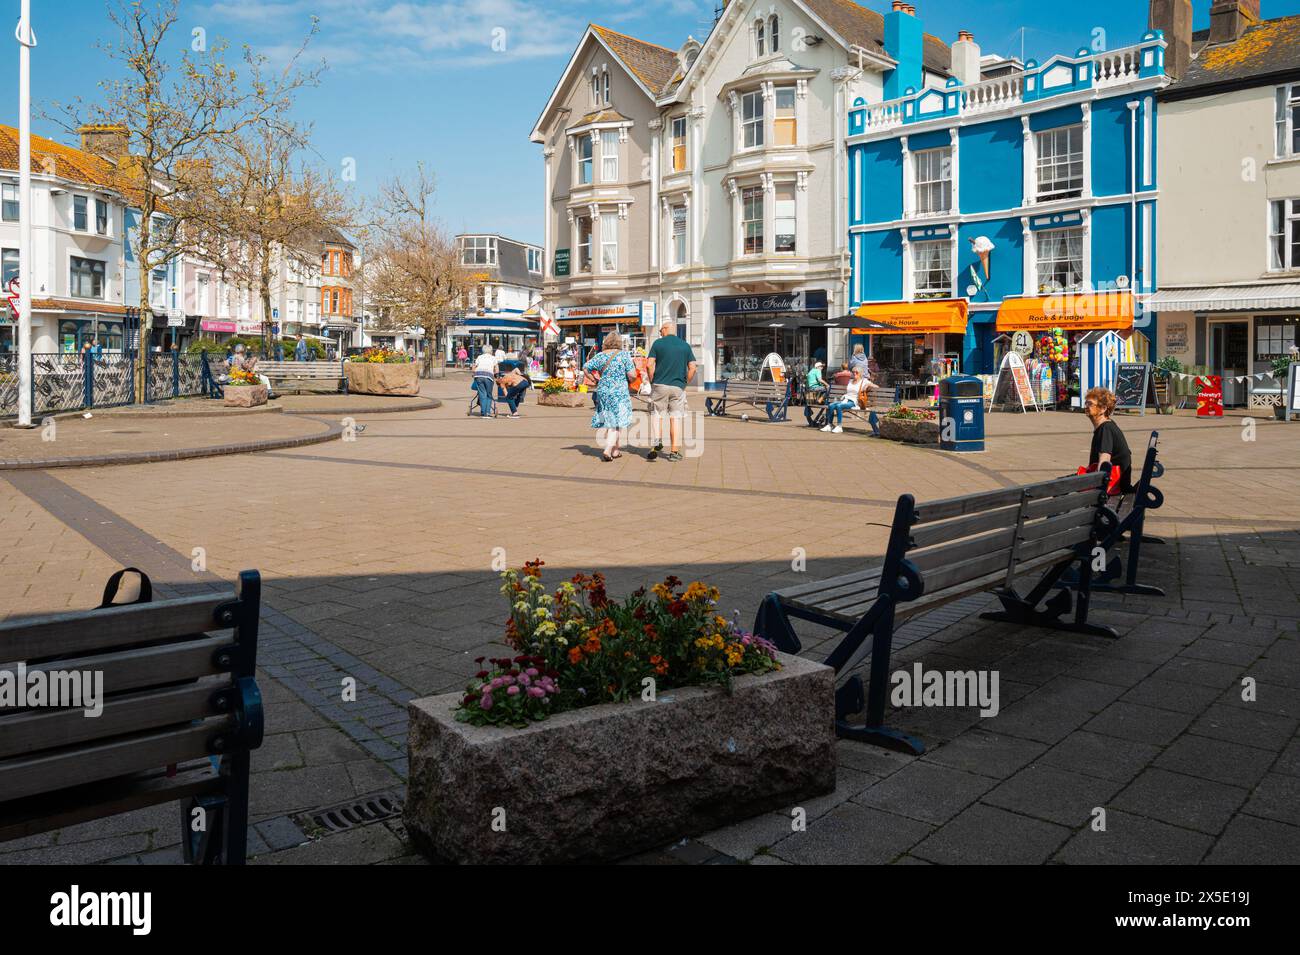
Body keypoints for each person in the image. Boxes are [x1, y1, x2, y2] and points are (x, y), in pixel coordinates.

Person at [646, 322, 697, 462]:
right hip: (678, 387)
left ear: (666, 329)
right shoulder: (685, 345)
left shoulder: (658, 344)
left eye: (661, 329)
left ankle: (657, 442)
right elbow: (693, 368)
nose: (660, 332)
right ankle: (674, 452)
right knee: (675, 418)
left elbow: (649, 364)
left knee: (657, 414)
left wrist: (652, 380)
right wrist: (685, 383)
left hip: (659, 385)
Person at [584, 331, 637, 461]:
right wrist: (629, 380)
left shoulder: (600, 355)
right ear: (619, 342)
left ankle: (615, 450)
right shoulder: (624, 356)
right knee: (617, 423)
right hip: (619, 392)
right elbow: (633, 375)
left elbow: (586, 368)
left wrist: (595, 380)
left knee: (610, 421)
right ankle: (608, 450)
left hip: (603, 391)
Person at [1084, 386, 1133, 498]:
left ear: (1103, 408)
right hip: (1118, 482)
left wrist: (1098, 489)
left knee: (1059, 487)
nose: (1086, 407)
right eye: (1086, 403)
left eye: (1090, 404)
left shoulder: (1105, 429)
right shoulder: (1108, 425)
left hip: (1113, 485)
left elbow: (1104, 461)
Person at [822, 366, 871, 433]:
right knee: (831, 405)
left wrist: (867, 386)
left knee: (839, 406)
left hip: (854, 402)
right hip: (845, 399)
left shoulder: (864, 381)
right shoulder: (850, 381)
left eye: (856, 372)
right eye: (853, 372)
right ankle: (830, 425)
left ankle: (839, 426)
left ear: (860, 373)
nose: (854, 374)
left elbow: (876, 386)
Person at [472, 344, 499, 417]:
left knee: (482, 394)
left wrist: (474, 373)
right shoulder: (493, 358)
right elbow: (497, 370)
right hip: (488, 376)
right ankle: (487, 412)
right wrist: (496, 376)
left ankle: (483, 412)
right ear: (491, 350)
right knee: (489, 395)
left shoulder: (479, 357)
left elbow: (474, 367)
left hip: (478, 375)